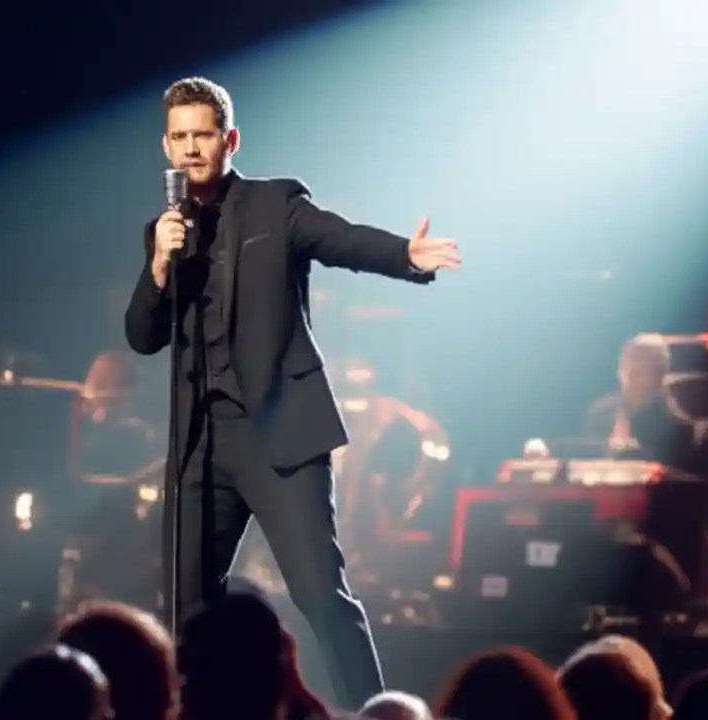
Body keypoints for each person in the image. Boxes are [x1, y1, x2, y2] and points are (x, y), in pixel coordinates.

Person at [123, 77, 460, 709]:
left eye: (202, 135)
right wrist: (160, 267)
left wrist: (407, 256)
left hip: (278, 434)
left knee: (318, 593)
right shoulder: (162, 230)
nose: (191, 149)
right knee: (186, 607)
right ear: (166, 146)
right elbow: (142, 335)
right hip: (201, 442)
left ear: (229, 139)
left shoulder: (275, 205)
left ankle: (374, 712)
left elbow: (342, 239)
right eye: (179, 137)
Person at [584, 334, 708, 475]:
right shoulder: (602, 413)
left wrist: (627, 452)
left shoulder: (688, 433)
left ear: (660, 374)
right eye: (627, 365)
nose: (631, 378)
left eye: (641, 370)